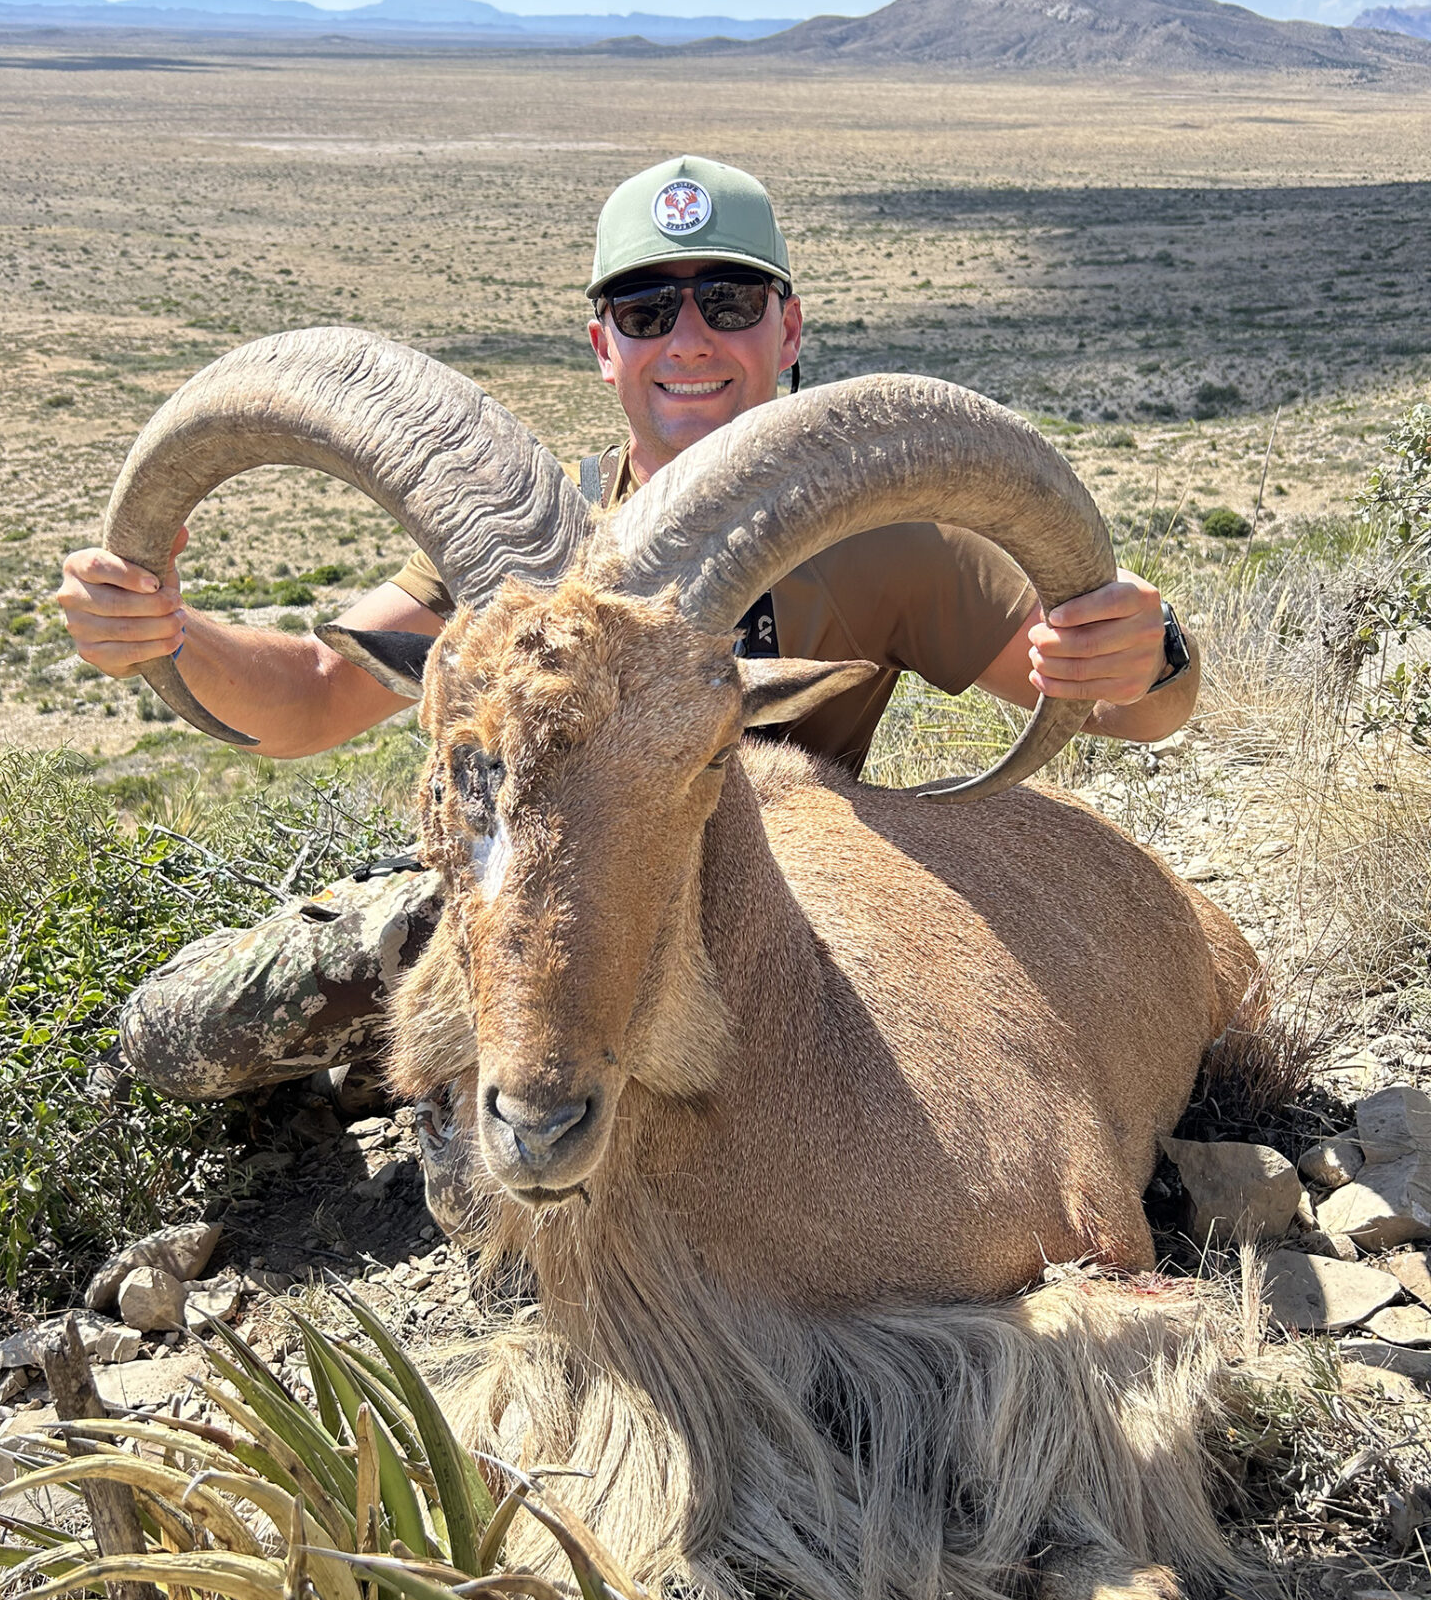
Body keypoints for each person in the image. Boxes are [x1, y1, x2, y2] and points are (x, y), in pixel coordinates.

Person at [59, 156, 1196, 1106]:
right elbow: (314, 693)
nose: (688, 339)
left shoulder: (884, 538)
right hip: (524, 898)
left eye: (729, 302)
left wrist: (1144, 651)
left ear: (788, 326)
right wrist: (166, 634)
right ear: (604, 345)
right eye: (648, 311)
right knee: (171, 1034)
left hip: (771, 926)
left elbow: (1135, 709)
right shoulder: (516, 545)